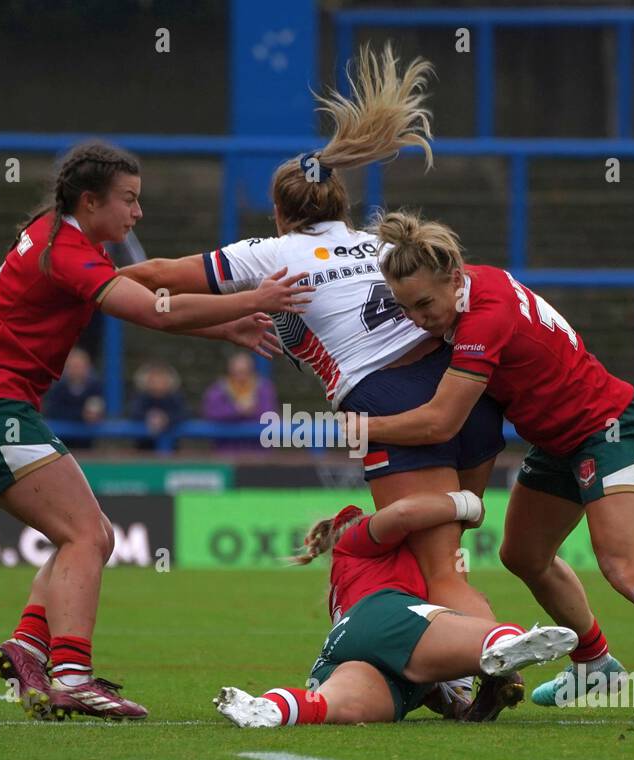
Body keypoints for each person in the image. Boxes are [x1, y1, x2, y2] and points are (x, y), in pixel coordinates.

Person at [121, 44, 514, 712]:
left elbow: (155, 281)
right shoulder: (380, 243)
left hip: (392, 400)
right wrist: (239, 321)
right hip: (465, 389)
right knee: (440, 554)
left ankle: (492, 655)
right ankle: (458, 665)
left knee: (441, 571)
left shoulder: (272, 253)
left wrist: (89, 271)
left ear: (279, 212)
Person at [0, 139, 309, 721]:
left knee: (91, 535)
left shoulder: (56, 237)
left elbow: (147, 300)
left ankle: (29, 645)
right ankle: (75, 676)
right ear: (89, 201)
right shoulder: (66, 250)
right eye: (128, 200)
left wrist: (228, 326)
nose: (137, 214)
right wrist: (252, 298)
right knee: (87, 536)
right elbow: (155, 310)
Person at [360, 210, 634, 723]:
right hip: (560, 440)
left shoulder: (485, 315)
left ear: (454, 279)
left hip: (608, 429)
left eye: (424, 304)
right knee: (523, 554)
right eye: (407, 308)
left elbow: (440, 423)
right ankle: (594, 661)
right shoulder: (472, 284)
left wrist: (363, 428)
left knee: (628, 569)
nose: (419, 318)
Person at [213, 492, 577, 727]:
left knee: (331, 705)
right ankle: (506, 643)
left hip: (344, 653)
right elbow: (404, 513)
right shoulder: (356, 542)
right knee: (471, 618)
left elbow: (408, 655)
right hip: (385, 615)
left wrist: (453, 705)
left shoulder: (341, 588)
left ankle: (270, 708)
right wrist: (468, 503)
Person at [201, 351, 279, 450]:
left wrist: (252, 410)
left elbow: (270, 414)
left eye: (244, 372)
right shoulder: (218, 390)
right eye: (237, 372)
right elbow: (211, 413)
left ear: (251, 370)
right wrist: (236, 410)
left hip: (257, 448)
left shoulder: (264, 388)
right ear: (230, 371)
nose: (241, 377)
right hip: (226, 448)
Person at [44, 347, 104, 448]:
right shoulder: (57, 388)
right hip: (61, 443)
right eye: (73, 366)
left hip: (88, 444)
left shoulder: (96, 387)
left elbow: (101, 409)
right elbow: (52, 411)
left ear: (87, 367)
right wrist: (81, 415)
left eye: (79, 366)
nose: (76, 370)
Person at [128, 361, 186, 451]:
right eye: (154, 380)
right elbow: (134, 413)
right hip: (143, 446)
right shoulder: (141, 397)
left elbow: (183, 413)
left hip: (172, 447)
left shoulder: (175, 397)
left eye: (162, 379)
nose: (158, 383)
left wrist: (166, 419)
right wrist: (150, 418)